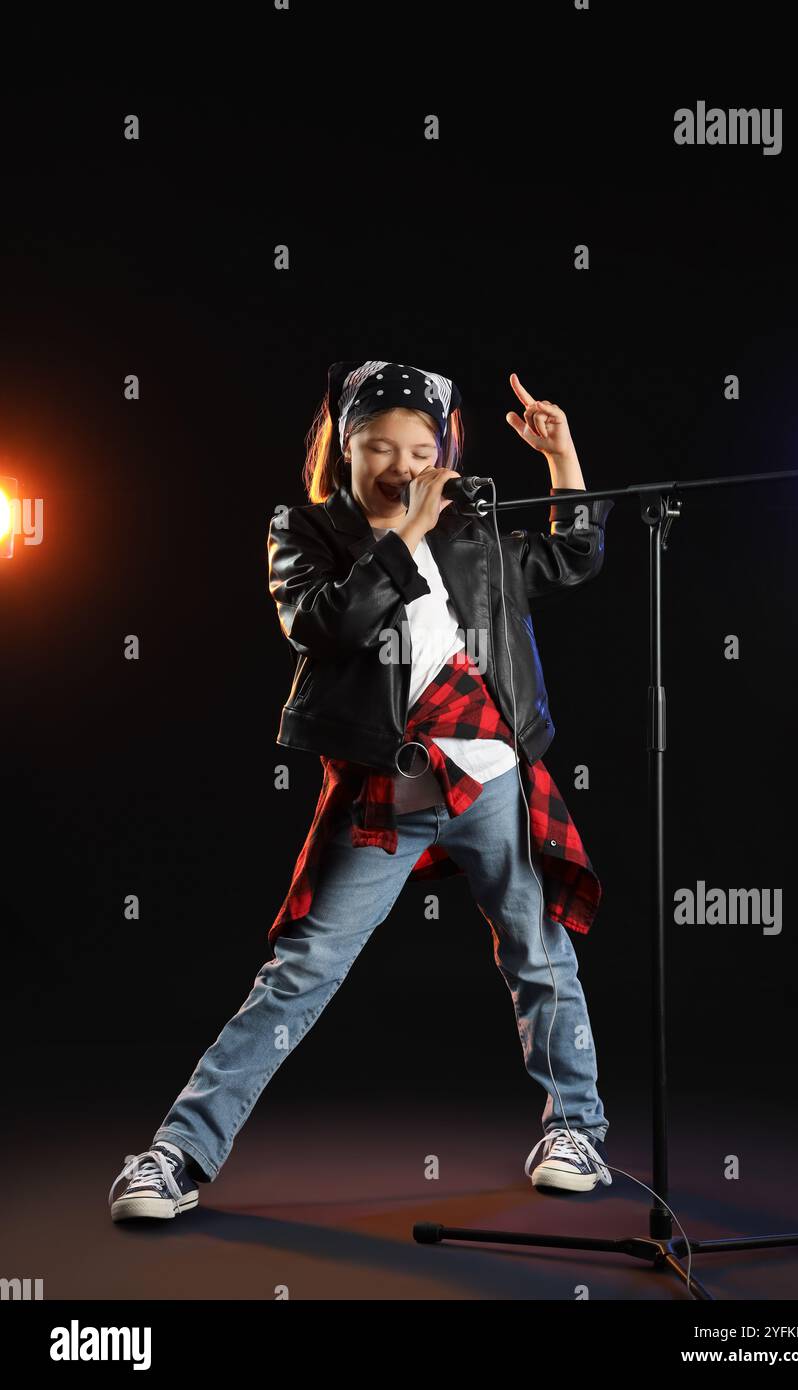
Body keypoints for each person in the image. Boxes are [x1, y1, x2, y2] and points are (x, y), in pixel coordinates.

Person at [108, 359, 615, 1222]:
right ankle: (177, 1155)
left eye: (422, 450)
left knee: (540, 952)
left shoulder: (475, 526)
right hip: (388, 782)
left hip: (493, 769)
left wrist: (562, 461)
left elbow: (573, 556)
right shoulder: (305, 531)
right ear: (343, 450)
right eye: (380, 446)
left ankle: (577, 1130)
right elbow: (325, 623)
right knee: (301, 968)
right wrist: (407, 534)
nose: (404, 466)